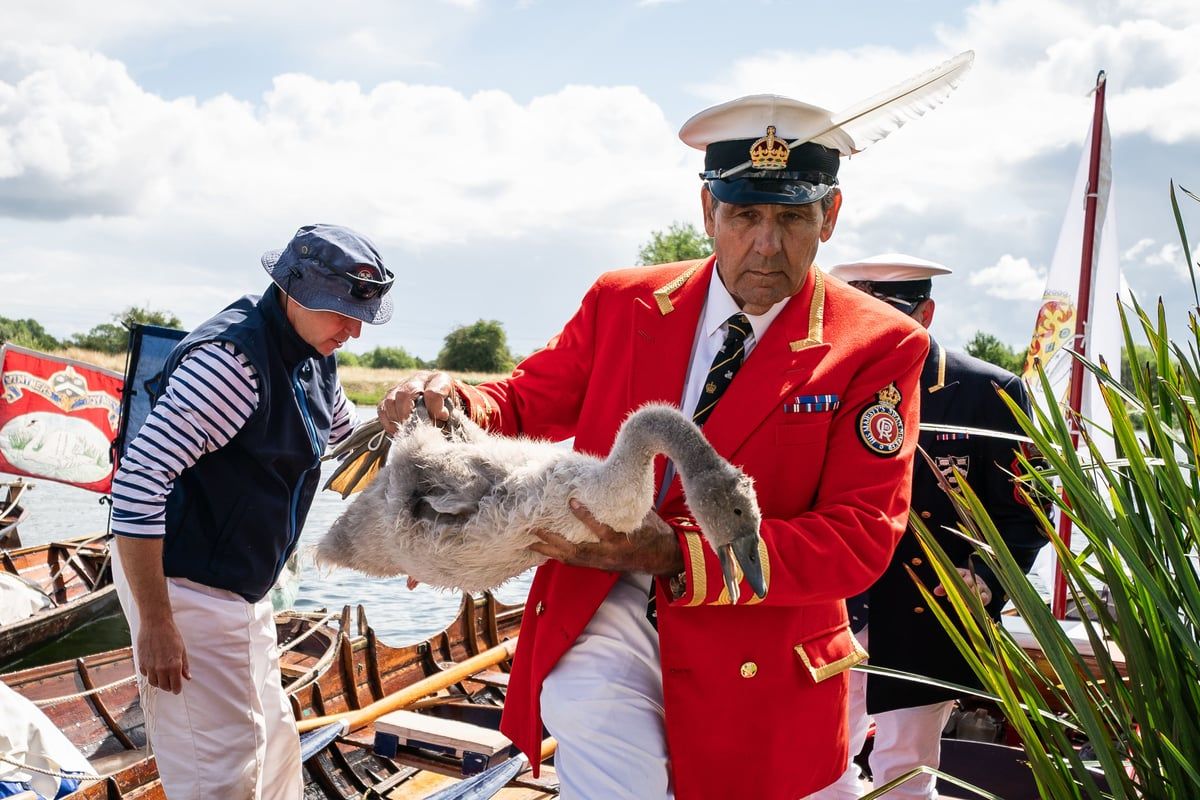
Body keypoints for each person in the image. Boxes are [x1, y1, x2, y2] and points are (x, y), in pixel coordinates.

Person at [376, 95, 930, 799]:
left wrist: (678, 555)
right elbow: (522, 401)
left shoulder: (879, 344)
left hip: (761, 657)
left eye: (792, 217)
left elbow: (859, 537)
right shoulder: (622, 301)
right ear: (708, 211)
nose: (767, 244)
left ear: (831, 215)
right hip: (599, 605)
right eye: (744, 216)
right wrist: (453, 404)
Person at [110, 223, 394, 799]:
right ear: (294, 290)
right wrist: (157, 623)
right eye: (342, 310)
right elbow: (137, 482)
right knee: (220, 773)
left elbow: (344, 444)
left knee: (276, 745)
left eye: (361, 313)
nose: (354, 330)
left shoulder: (313, 354)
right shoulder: (231, 365)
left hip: (241, 591)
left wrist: (394, 428)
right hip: (184, 589)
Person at [812, 254, 1048, 800]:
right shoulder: (821, 383)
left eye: (887, 314)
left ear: (926, 313)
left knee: (907, 771)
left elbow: (1027, 511)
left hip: (927, 610)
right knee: (818, 766)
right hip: (832, 607)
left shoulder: (987, 393)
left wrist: (984, 577)